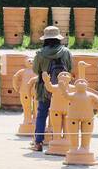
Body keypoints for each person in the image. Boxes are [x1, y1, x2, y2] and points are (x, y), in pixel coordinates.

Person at [30, 25, 72, 153]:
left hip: (44, 87)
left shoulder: (40, 53)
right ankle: (64, 141)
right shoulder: (66, 52)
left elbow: (35, 70)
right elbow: (70, 69)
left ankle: (38, 142)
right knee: (65, 114)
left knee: (41, 113)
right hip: (62, 89)